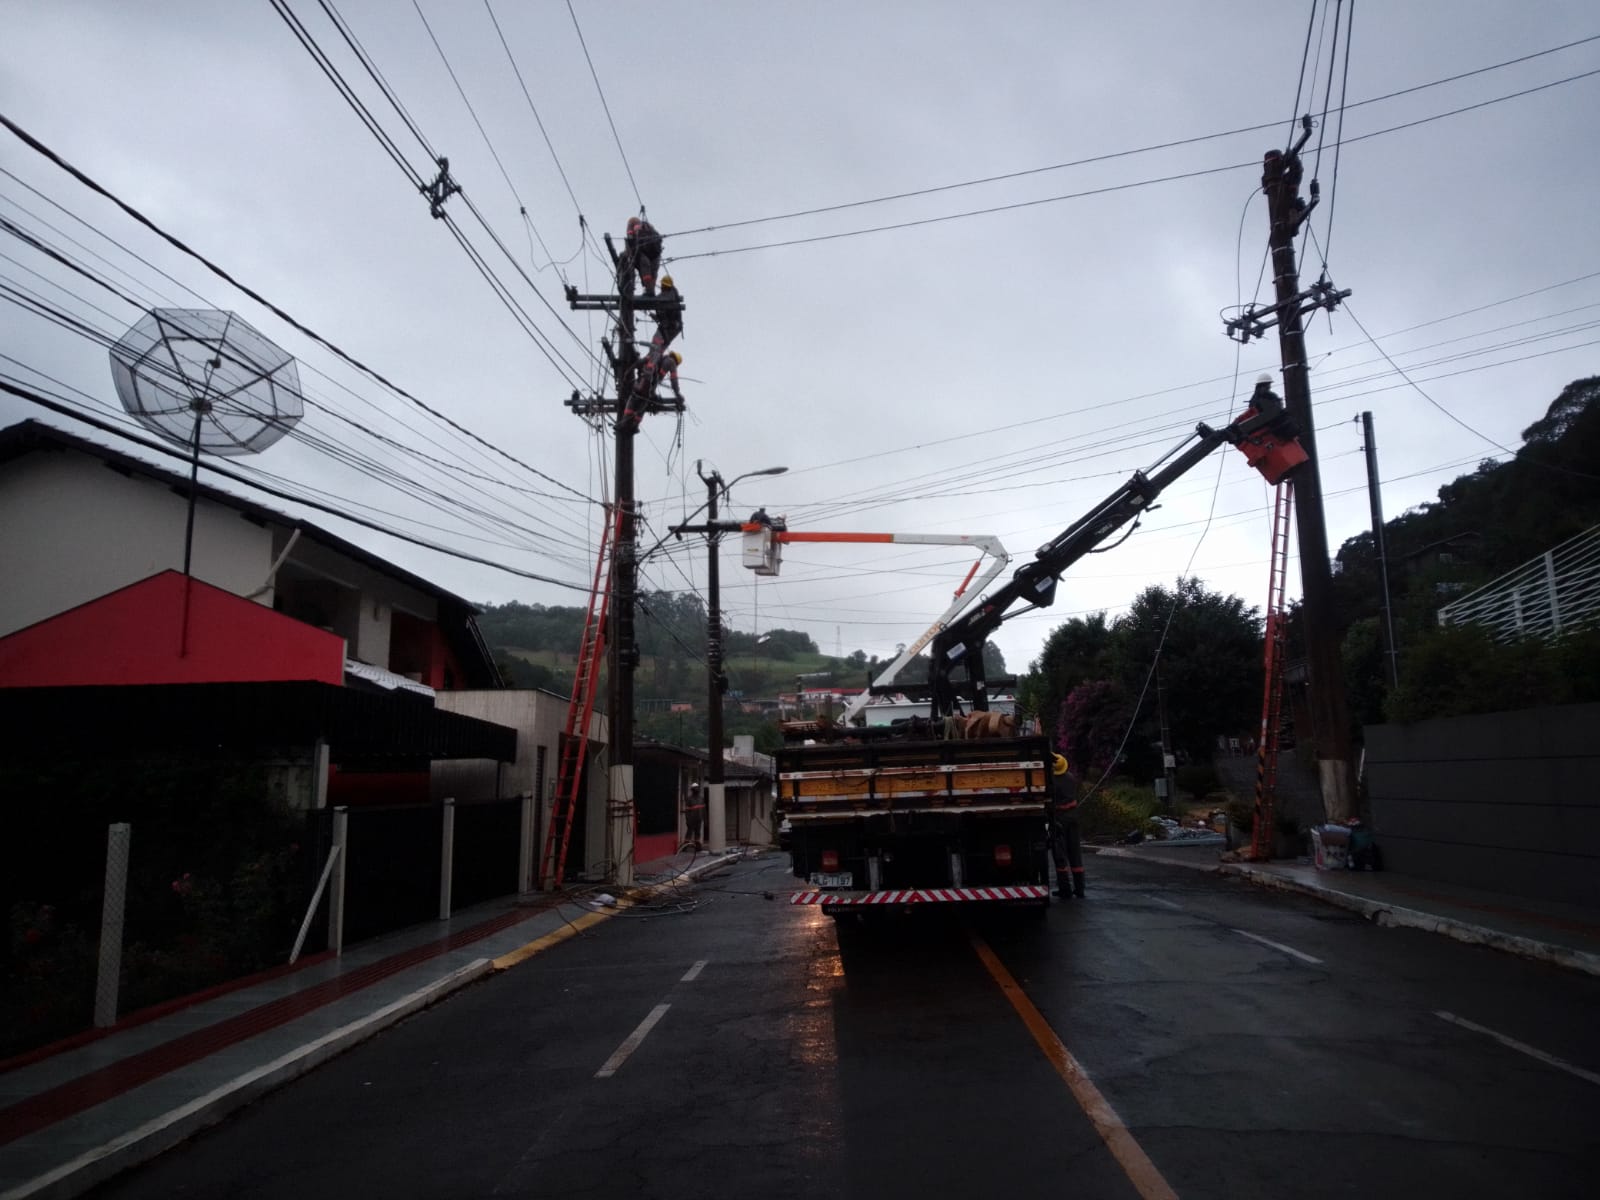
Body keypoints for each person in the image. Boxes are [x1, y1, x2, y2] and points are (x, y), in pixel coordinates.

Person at [1048, 753, 1086, 899]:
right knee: (1075, 852)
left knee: (1060, 855)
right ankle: (1080, 889)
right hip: (1073, 818)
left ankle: (1065, 889)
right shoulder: (1071, 778)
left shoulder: (1053, 781)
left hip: (1059, 820)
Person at [617, 216, 662, 296]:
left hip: (643, 255)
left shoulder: (634, 228)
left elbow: (630, 245)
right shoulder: (650, 229)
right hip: (656, 255)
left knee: (645, 273)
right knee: (653, 274)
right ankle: (651, 290)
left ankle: (645, 290)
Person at [651, 274, 683, 352]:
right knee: (661, 345)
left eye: (663, 286)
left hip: (671, 326)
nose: (662, 287)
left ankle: (652, 361)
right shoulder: (671, 294)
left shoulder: (669, 295)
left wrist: (650, 300)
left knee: (657, 342)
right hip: (672, 326)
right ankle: (654, 360)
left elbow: (664, 314)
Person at [683, 781, 706, 848]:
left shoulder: (701, 799)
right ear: (692, 790)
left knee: (697, 833)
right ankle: (685, 846)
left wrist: (704, 818)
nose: (697, 790)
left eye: (697, 788)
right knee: (689, 832)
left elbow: (704, 810)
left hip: (699, 819)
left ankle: (697, 846)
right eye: (695, 788)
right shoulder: (689, 799)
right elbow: (687, 811)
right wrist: (687, 820)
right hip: (691, 819)